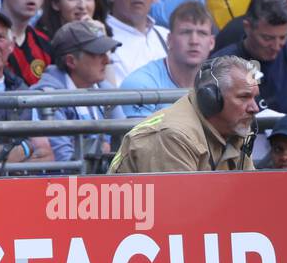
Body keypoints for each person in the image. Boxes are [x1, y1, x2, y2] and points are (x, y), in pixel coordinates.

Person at [110, 55, 261, 174]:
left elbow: (246, 193)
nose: (254, 108)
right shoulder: (173, 135)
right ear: (211, 98)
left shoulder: (236, 128)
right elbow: (180, 208)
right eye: (244, 97)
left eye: (255, 97)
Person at [32, 19, 127, 163]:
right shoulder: (47, 95)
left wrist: (97, 150)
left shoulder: (104, 88)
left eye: (106, 53)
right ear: (71, 61)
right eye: (98, 53)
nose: (107, 61)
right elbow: (64, 161)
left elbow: (127, 144)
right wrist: (102, 149)